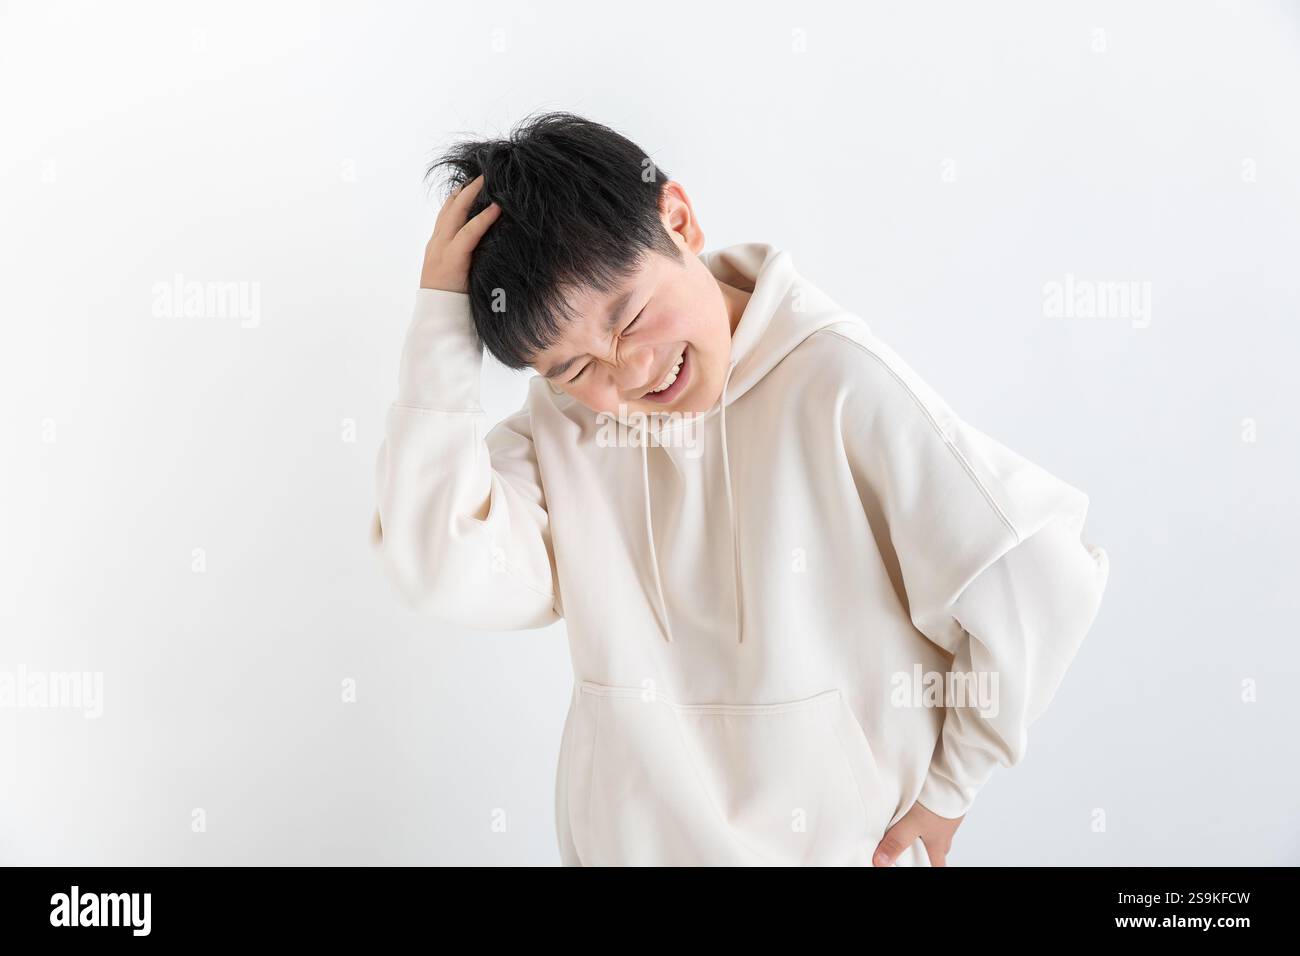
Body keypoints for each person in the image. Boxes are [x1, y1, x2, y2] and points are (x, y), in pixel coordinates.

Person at [370, 112, 1110, 866]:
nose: (628, 374)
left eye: (629, 316)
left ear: (680, 221)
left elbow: (1038, 573)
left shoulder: (838, 381)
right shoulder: (565, 429)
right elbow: (438, 565)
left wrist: (951, 788)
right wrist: (440, 329)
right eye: (574, 367)